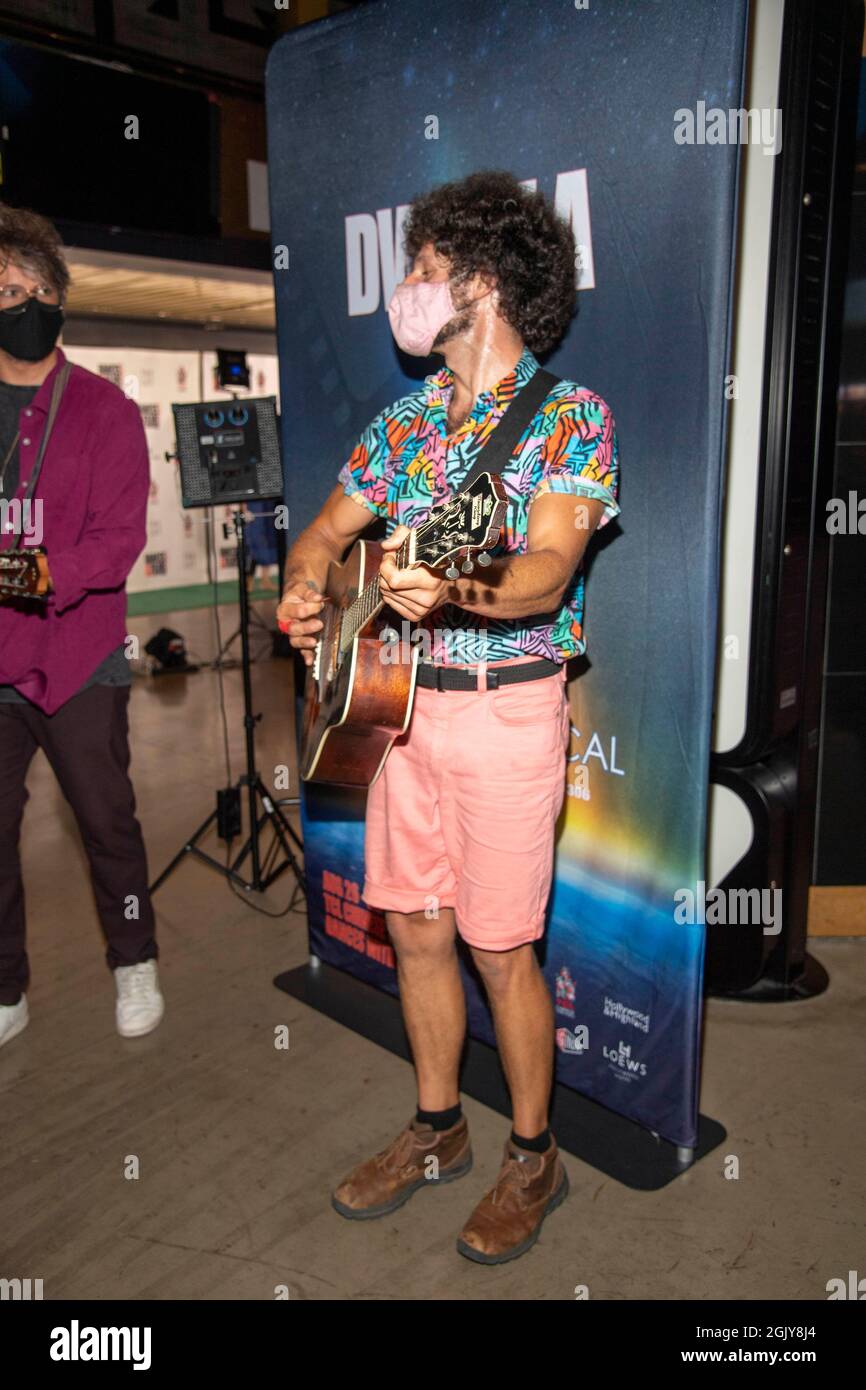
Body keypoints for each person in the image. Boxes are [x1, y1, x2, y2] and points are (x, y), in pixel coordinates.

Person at [277, 171, 620, 1265]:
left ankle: (533, 1153)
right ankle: (436, 1132)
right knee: (415, 930)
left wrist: (459, 588)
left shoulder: (570, 416)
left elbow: (546, 569)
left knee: (497, 946)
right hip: (390, 714)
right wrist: (304, 589)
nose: (406, 288)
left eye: (423, 269)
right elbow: (322, 536)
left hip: (505, 713)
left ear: (478, 281)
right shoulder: (405, 423)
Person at [0, 204, 163, 1048]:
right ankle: (6, 989)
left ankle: (134, 960)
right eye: (0, 290)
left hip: (77, 656)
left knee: (107, 823)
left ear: (57, 298)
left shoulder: (102, 409)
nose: (14, 302)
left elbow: (117, 539)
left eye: (28, 288)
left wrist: (33, 573)